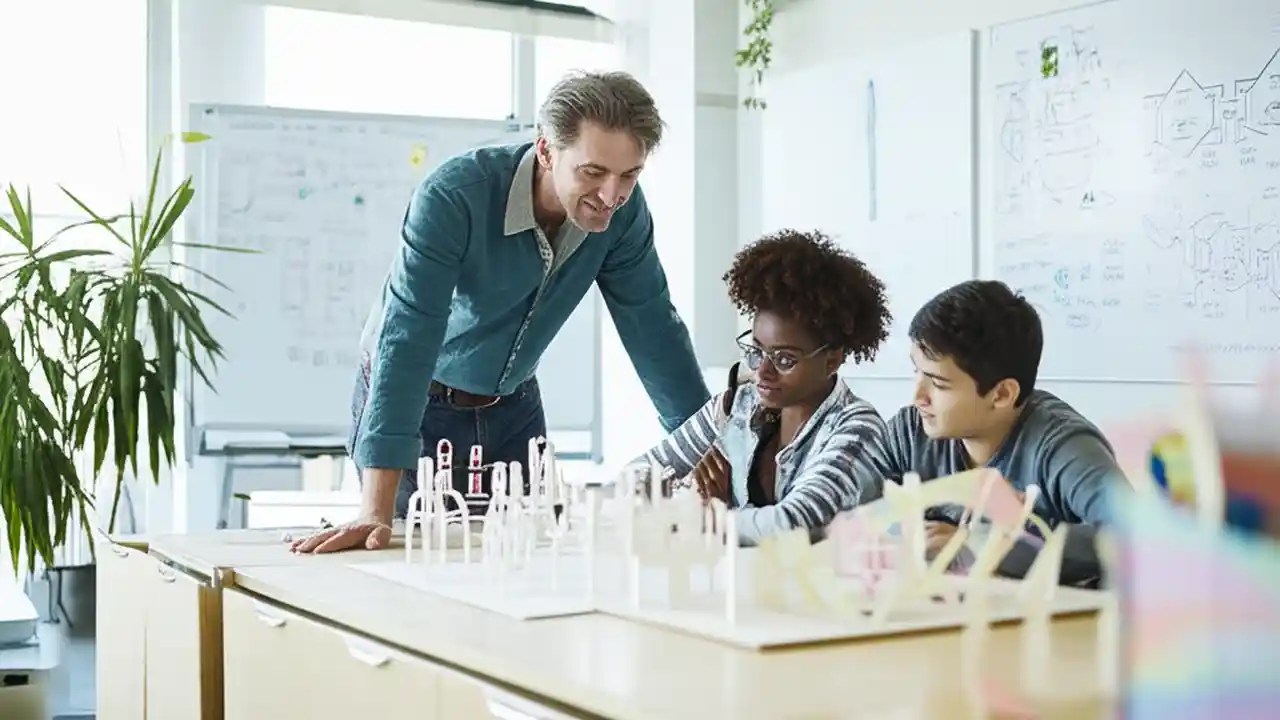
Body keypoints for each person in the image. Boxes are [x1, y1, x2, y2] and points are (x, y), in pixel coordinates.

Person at [292, 71, 710, 554]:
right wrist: (373, 512)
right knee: (416, 558)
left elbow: (655, 330)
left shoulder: (625, 215)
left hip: (512, 404)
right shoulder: (454, 197)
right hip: (418, 403)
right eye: (593, 172)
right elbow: (407, 339)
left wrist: (716, 455)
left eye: (629, 175)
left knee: (532, 556)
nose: (612, 194)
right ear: (548, 151)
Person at [636, 229, 893, 546]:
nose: (763, 372)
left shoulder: (858, 429)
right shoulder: (738, 406)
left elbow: (793, 523)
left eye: (784, 359)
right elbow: (636, 479)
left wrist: (709, 518)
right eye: (756, 352)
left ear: (832, 360)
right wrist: (688, 497)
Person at [865, 279, 1128, 584]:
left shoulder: (1062, 446)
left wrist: (978, 544)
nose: (918, 397)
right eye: (917, 372)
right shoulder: (910, 432)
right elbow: (852, 513)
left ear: (1001, 394)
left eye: (938, 383)